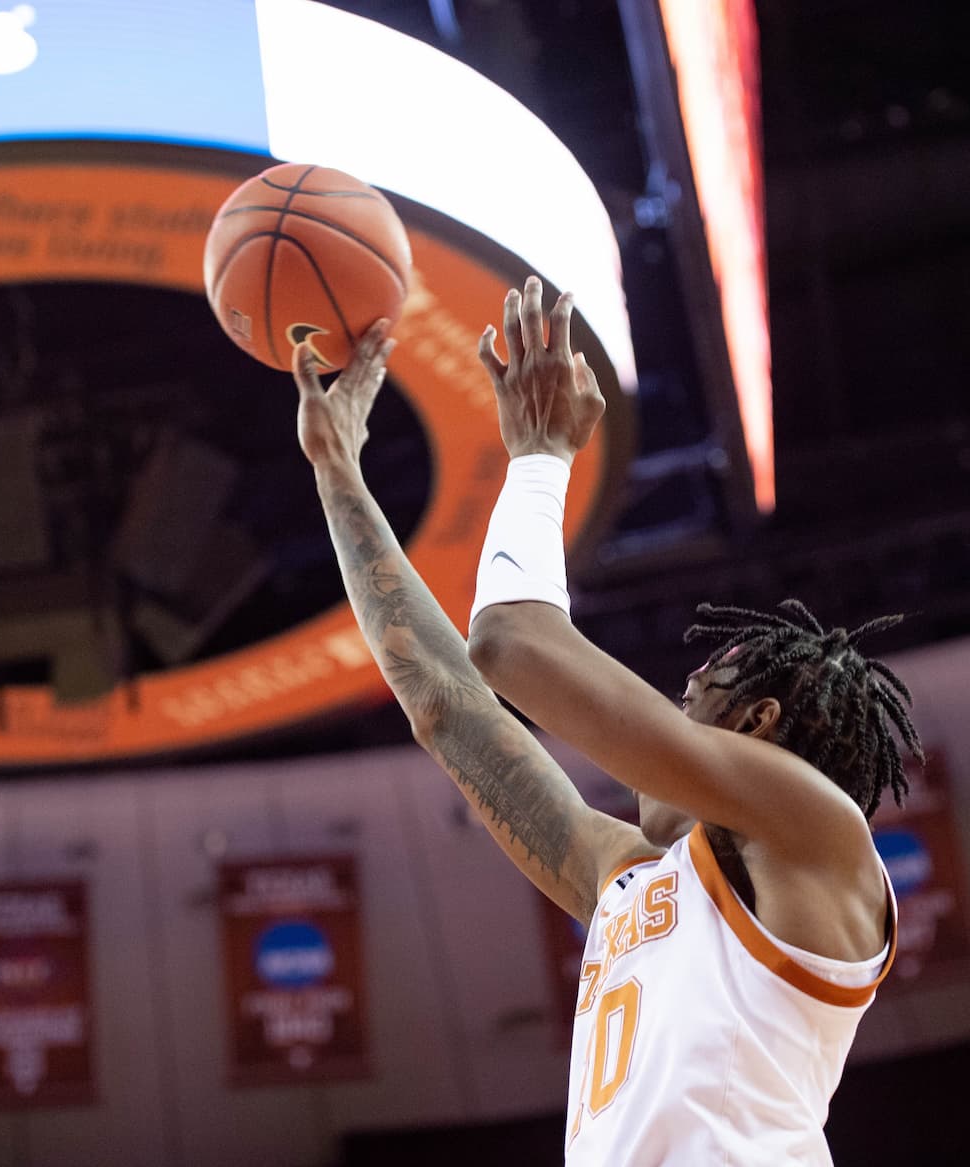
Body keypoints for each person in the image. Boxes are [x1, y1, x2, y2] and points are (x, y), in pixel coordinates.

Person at [290, 276, 923, 1166]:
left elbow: (511, 643)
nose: (673, 699)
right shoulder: (628, 879)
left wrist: (542, 455)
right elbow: (447, 700)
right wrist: (337, 475)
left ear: (761, 723)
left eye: (697, 688)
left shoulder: (818, 826)